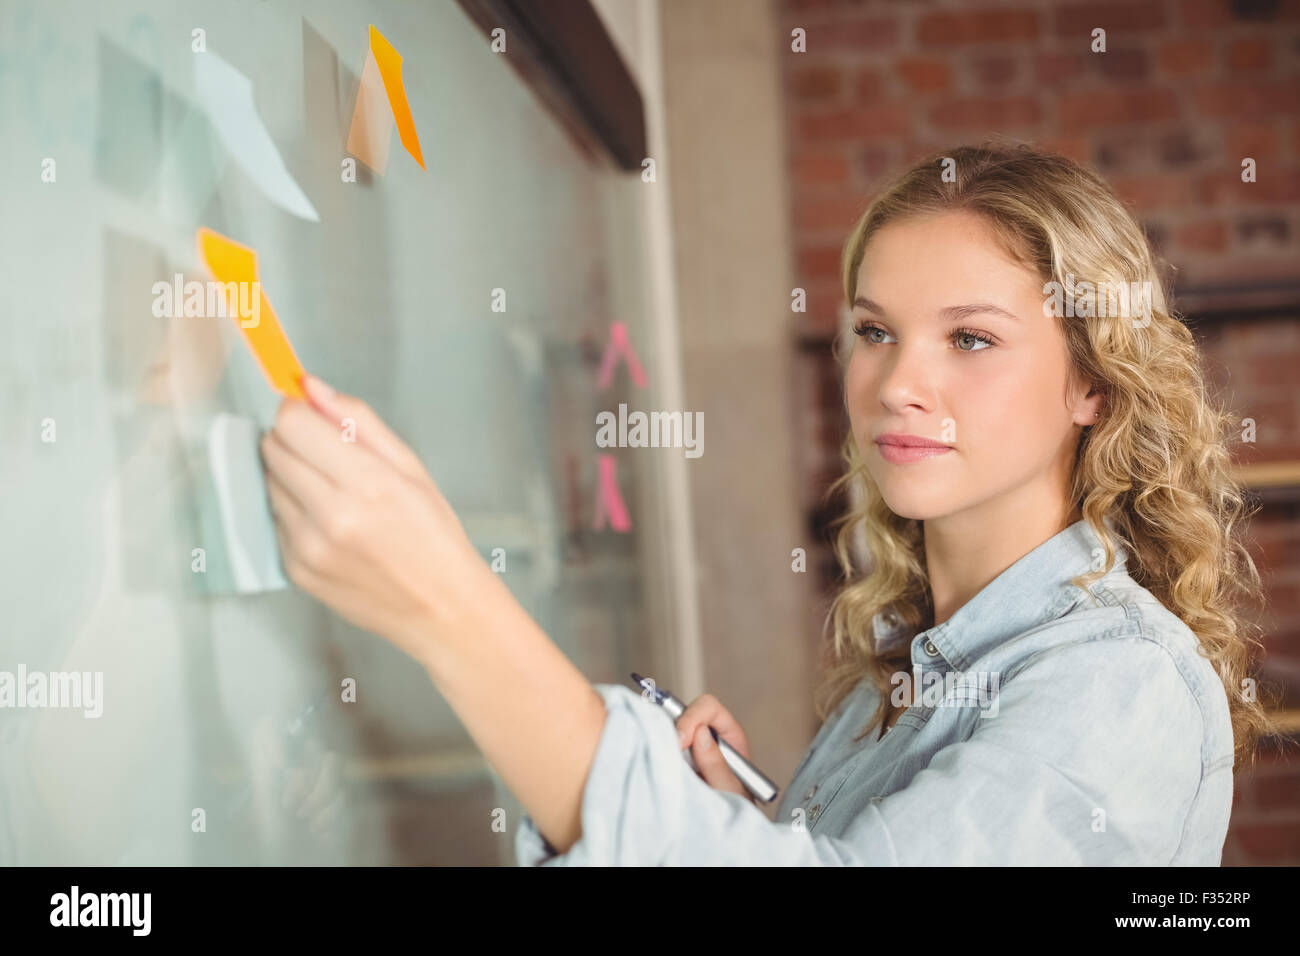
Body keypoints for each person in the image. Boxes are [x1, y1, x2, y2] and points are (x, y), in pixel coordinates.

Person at [259, 141, 1281, 865]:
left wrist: (447, 606)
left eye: (969, 338)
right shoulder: (909, 656)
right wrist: (732, 823)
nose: (896, 383)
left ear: (1090, 384)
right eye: (875, 331)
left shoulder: (1118, 684)